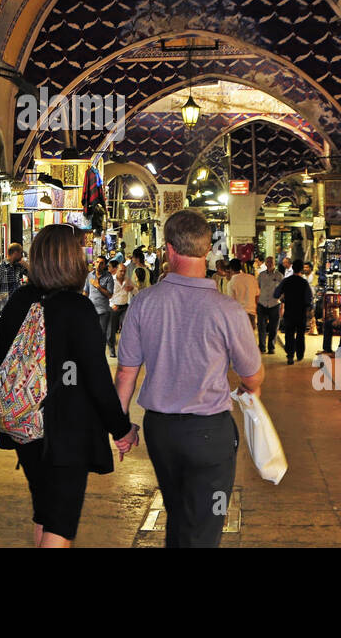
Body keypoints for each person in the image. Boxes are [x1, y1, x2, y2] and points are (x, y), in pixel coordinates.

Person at [114, 209, 263, 548]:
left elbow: (126, 372)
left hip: (162, 431)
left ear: (168, 249)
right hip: (210, 432)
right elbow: (252, 375)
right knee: (206, 525)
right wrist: (247, 388)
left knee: (178, 515)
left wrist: (120, 427)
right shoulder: (227, 309)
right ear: (208, 249)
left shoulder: (144, 302)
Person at [0, 224, 136, 547]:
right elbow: (97, 381)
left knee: (45, 511)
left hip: (27, 428)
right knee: (60, 523)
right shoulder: (77, 309)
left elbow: (2, 362)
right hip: (67, 436)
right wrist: (121, 429)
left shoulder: (18, 302)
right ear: (72, 260)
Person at [275, 259, 312, 364]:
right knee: (300, 334)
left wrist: (283, 297)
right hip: (301, 312)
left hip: (289, 311)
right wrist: (308, 309)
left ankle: (290, 355)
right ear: (301, 269)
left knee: (289, 334)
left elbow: (276, 294)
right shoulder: (304, 282)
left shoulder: (286, 281)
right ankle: (300, 354)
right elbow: (308, 299)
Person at [84, 255, 114, 347]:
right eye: (97, 262)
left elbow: (109, 295)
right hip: (91, 310)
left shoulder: (109, 277)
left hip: (103, 311)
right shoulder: (89, 276)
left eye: (101, 263)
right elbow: (86, 291)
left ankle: (100, 356)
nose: (98, 265)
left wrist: (98, 286)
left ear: (105, 265)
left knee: (101, 335)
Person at [256, 255, 284, 354]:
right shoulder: (261, 275)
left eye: (271, 262)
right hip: (262, 303)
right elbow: (258, 288)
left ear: (274, 263)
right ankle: (262, 347)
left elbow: (283, 291)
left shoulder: (279, 276)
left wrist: (281, 305)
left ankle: (271, 347)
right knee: (261, 327)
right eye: (267, 262)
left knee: (273, 327)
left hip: (274, 304)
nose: (269, 264)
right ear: (265, 263)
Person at [106, 262, 132, 358]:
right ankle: (112, 349)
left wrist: (132, 289)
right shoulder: (110, 280)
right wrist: (112, 304)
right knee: (111, 330)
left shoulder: (127, 280)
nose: (123, 273)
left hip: (125, 307)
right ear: (116, 270)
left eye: (124, 271)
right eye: (121, 271)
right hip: (113, 307)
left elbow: (135, 290)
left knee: (126, 328)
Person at [226, 257, 257, 330]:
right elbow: (257, 296)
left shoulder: (231, 282)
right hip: (252, 313)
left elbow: (231, 302)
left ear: (230, 269)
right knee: (250, 338)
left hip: (238, 315)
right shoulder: (251, 278)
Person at [301, 261, 318, 335]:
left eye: (307, 267)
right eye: (304, 267)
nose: (305, 269)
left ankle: (312, 327)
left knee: (311, 312)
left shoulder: (315, 277)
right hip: (303, 298)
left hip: (313, 297)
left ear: (310, 268)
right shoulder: (302, 277)